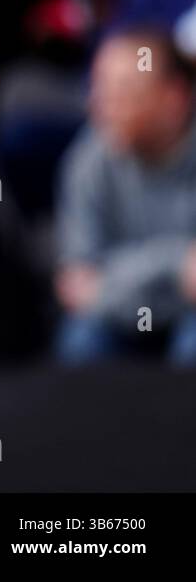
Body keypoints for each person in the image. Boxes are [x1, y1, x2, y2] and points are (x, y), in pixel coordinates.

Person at [54, 28, 196, 365]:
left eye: (121, 93)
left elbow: (93, 284)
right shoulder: (89, 159)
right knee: (81, 343)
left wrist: (108, 281)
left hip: (187, 321)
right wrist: (176, 265)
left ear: (175, 98)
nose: (100, 107)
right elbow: (75, 286)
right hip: (122, 316)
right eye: (98, 91)